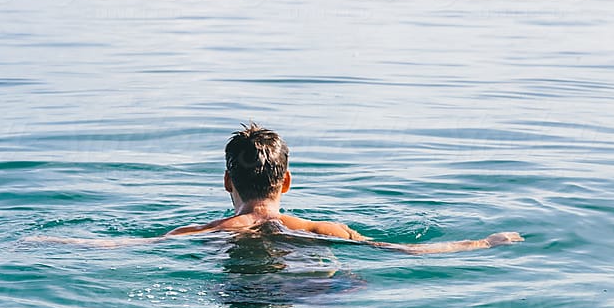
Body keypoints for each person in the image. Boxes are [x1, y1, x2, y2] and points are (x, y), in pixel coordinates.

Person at [28, 123, 522, 254]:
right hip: (312, 273)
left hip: (235, 284)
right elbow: (408, 252)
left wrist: (50, 239)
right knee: (332, 293)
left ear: (227, 182)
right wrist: (486, 242)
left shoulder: (201, 232)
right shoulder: (326, 229)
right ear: (286, 180)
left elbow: (120, 248)